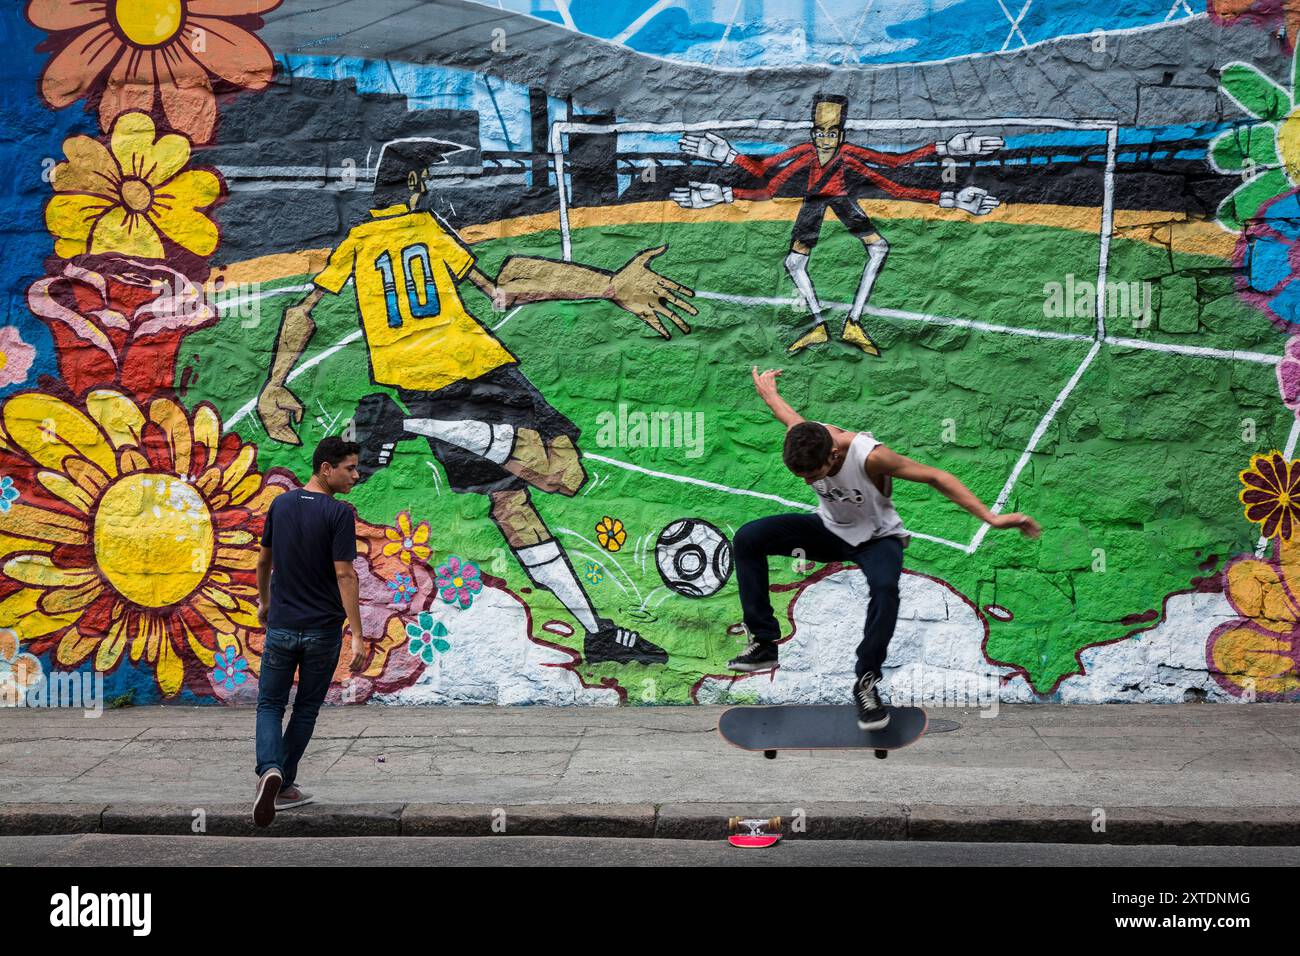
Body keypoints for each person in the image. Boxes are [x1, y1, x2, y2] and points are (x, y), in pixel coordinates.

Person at [256, 139, 695, 666]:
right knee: (565, 473)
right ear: (415, 185)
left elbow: (303, 311)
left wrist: (274, 383)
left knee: (512, 504)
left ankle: (595, 632)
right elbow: (502, 287)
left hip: (413, 382)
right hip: (474, 368)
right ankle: (411, 425)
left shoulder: (355, 242)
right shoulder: (424, 228)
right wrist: (608, 286)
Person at [728, 368, 1041, 730]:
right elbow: (783, 411)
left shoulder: (871, 457)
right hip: (829, 530)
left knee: (884, 589)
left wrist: (992, 518)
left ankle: (866, 683)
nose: (810, 481)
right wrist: (768, 390)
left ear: (832, 454)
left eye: (814, 474)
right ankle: (765, 642)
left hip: (878, 538)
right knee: (749, 537)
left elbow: (936, 476)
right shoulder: (807, 437)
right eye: (803, 477)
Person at [673, 93, 1002, 355]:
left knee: (879, 248)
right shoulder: (805, 152)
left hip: (842, 199)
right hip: (813, 203)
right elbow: (767, 177)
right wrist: (726, 161)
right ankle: (820, 324)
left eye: (832, 133)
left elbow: (894, 171)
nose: (826, 139)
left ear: (840, 134)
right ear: (813, 133)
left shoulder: (848, 154)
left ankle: (852, 322)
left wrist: (948, 161)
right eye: (821, 133)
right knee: (794, 263)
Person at [253, 436, 366, 827]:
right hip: (322, 632)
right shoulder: (338, 514)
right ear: (326, 469)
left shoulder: (280, 504)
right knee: (305, 708)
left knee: (270, 704)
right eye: (349, 468)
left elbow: (263, 560)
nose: (356, 474)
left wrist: (264, 602)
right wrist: (356, 633)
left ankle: (271, 770)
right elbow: (344, 573)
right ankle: (283, 783)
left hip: (282, 627)